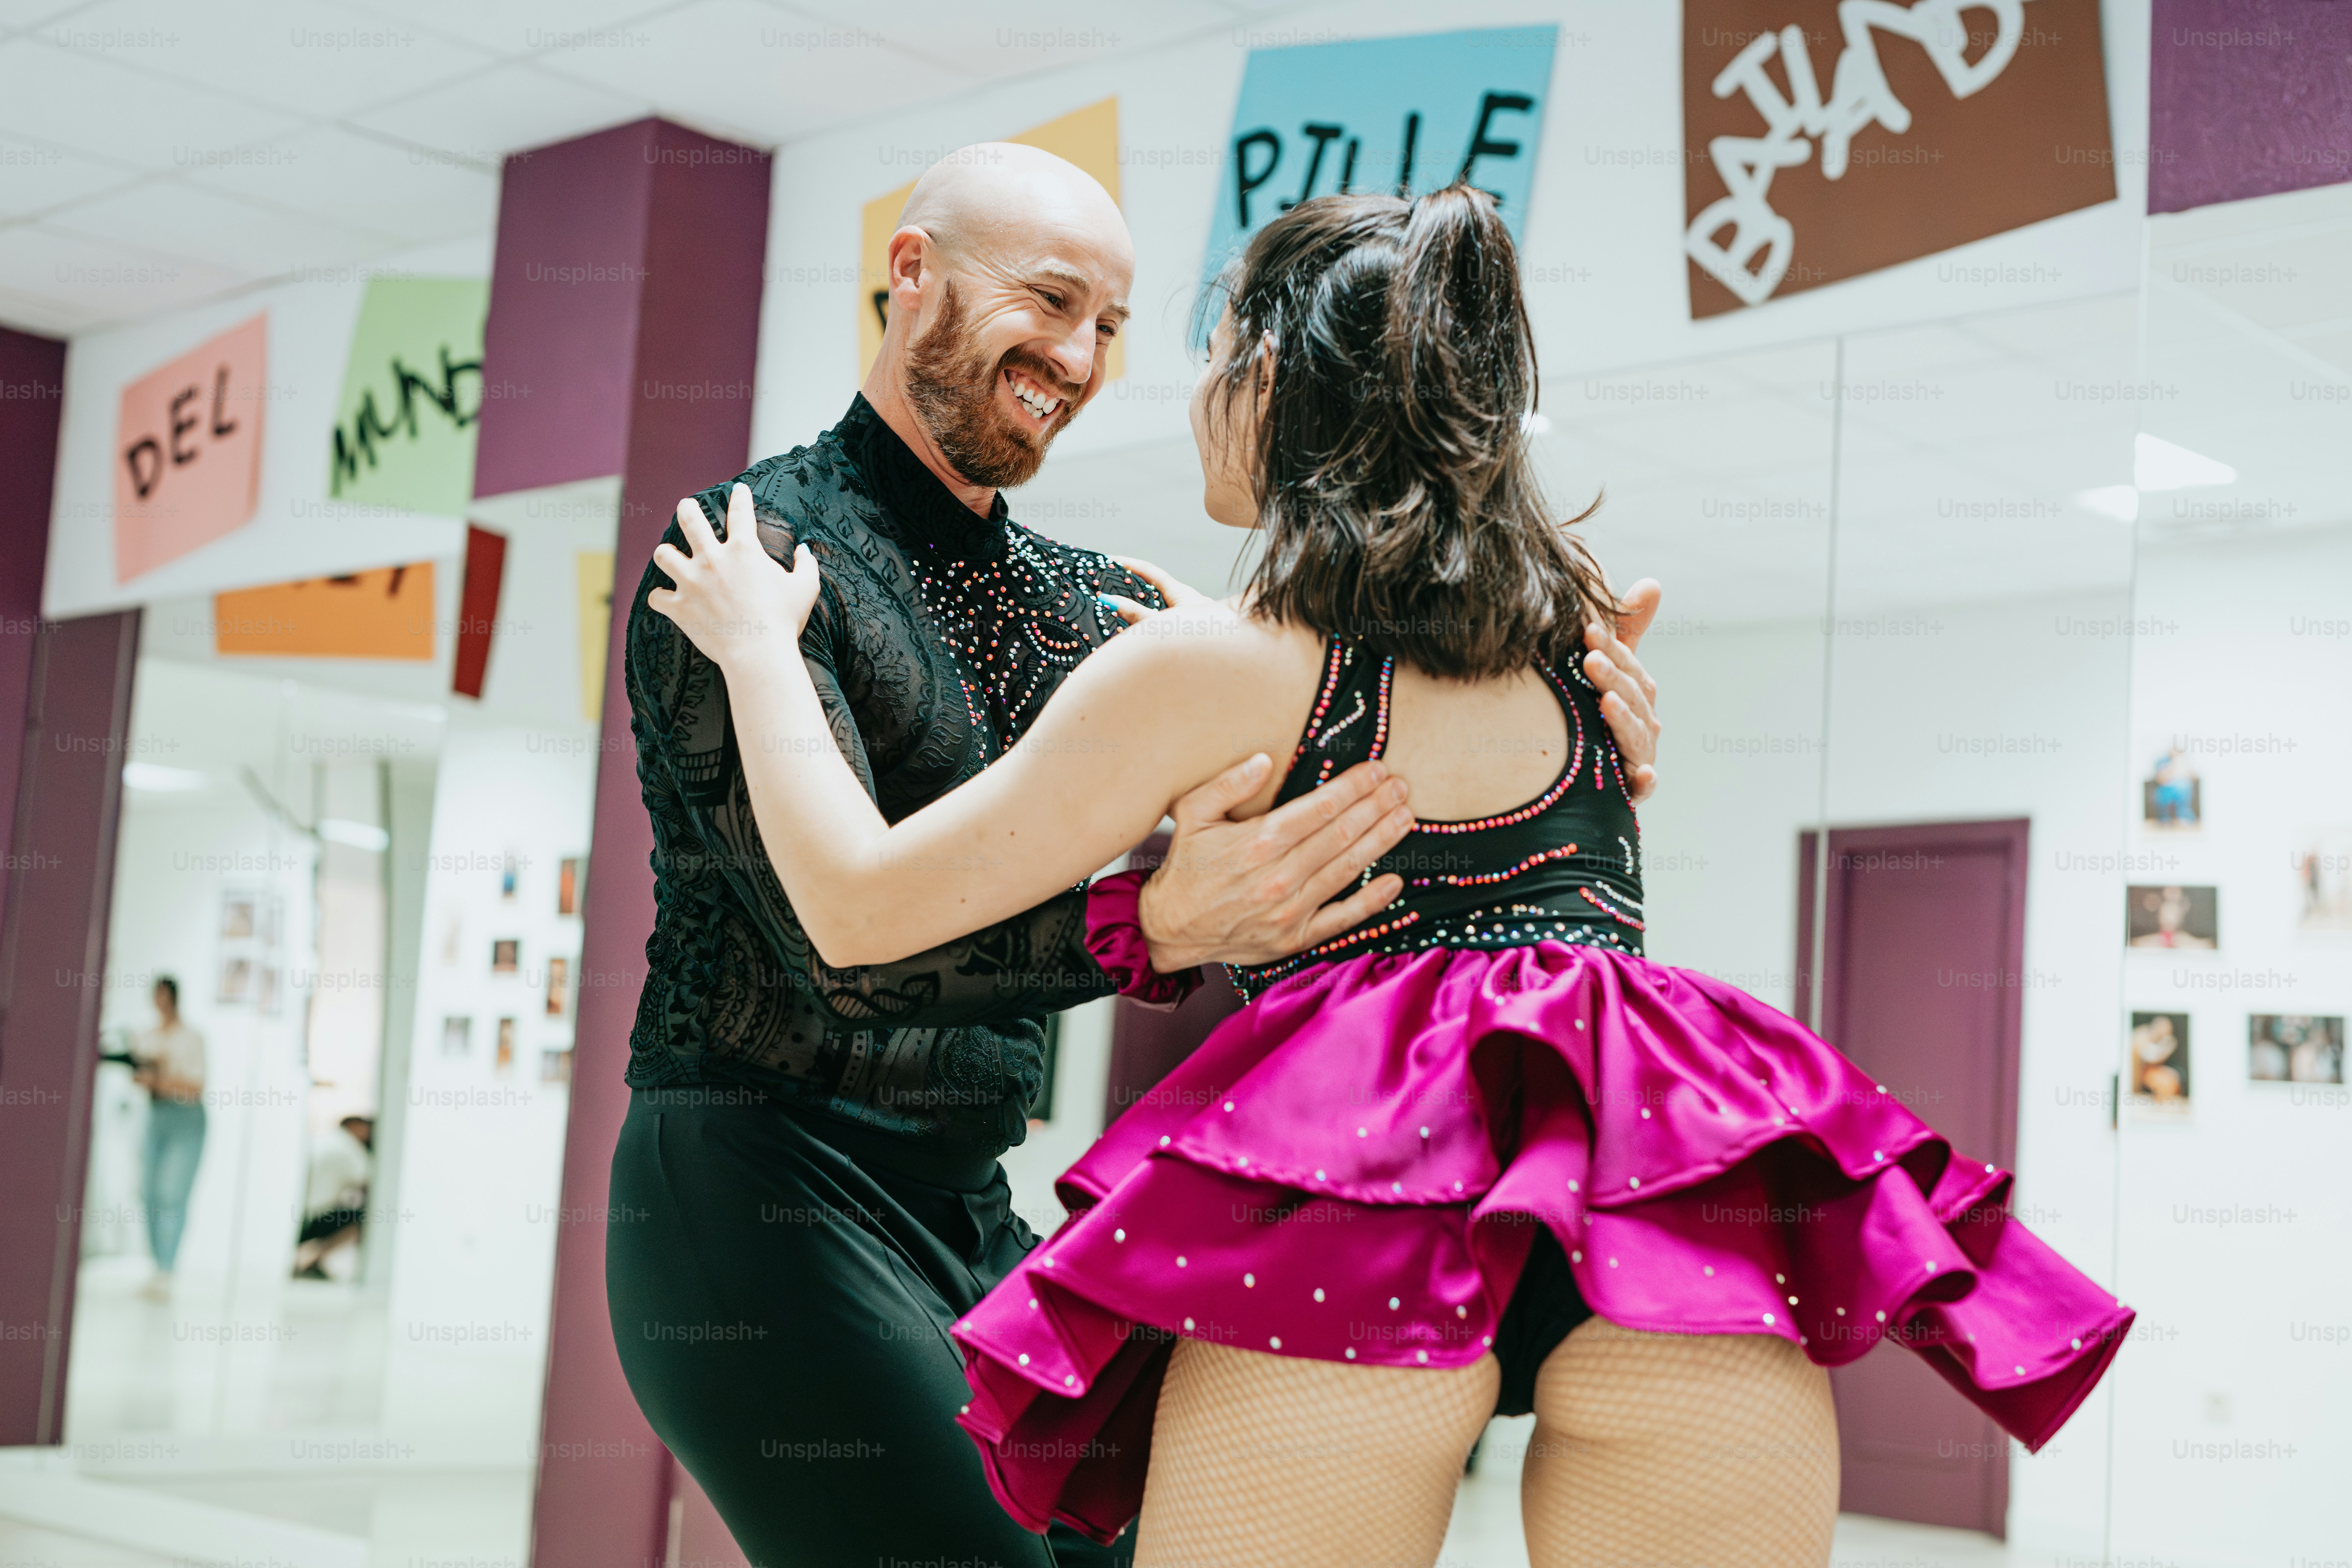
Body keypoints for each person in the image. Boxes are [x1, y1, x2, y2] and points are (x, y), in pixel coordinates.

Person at [650, 184, 2132, 1567]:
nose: (1183, 384)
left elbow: (856, 902)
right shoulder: (1583, 652)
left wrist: (768, 650)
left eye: (1216, 346)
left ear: (1284, 387)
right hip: (1671, 1226)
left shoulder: (1216, 666)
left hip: (1363, 1230)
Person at [611, 140, 1674, 1568]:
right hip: (755, 1190)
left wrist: (1562, 698)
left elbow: (1339, 676)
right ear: (910, 274)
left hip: (968, 1192)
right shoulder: (746, 560)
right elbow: (839, 944)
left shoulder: (1096, 601)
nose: (1081, 355)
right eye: (1048, 301)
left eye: (1111, 324)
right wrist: (1150, 925)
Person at [130, 976, 206, 1302]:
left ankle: (167, 1267)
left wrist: (160, 1079)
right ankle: (155, 1264)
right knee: (148, 1192)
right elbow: (139, 1077)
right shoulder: (145, 1037)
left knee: (172, 1193)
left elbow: (195, 1086)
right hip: (155, 1116)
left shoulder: (191, 1038)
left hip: (186, 1117)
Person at [294, 1115, 373, 1278]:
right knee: (371, 1218)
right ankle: (312, 1257)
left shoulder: (328, 1139)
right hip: (310, 1218)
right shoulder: (348, 1147)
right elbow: (375, 1187)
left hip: (301, 1213)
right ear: (354, 1125)